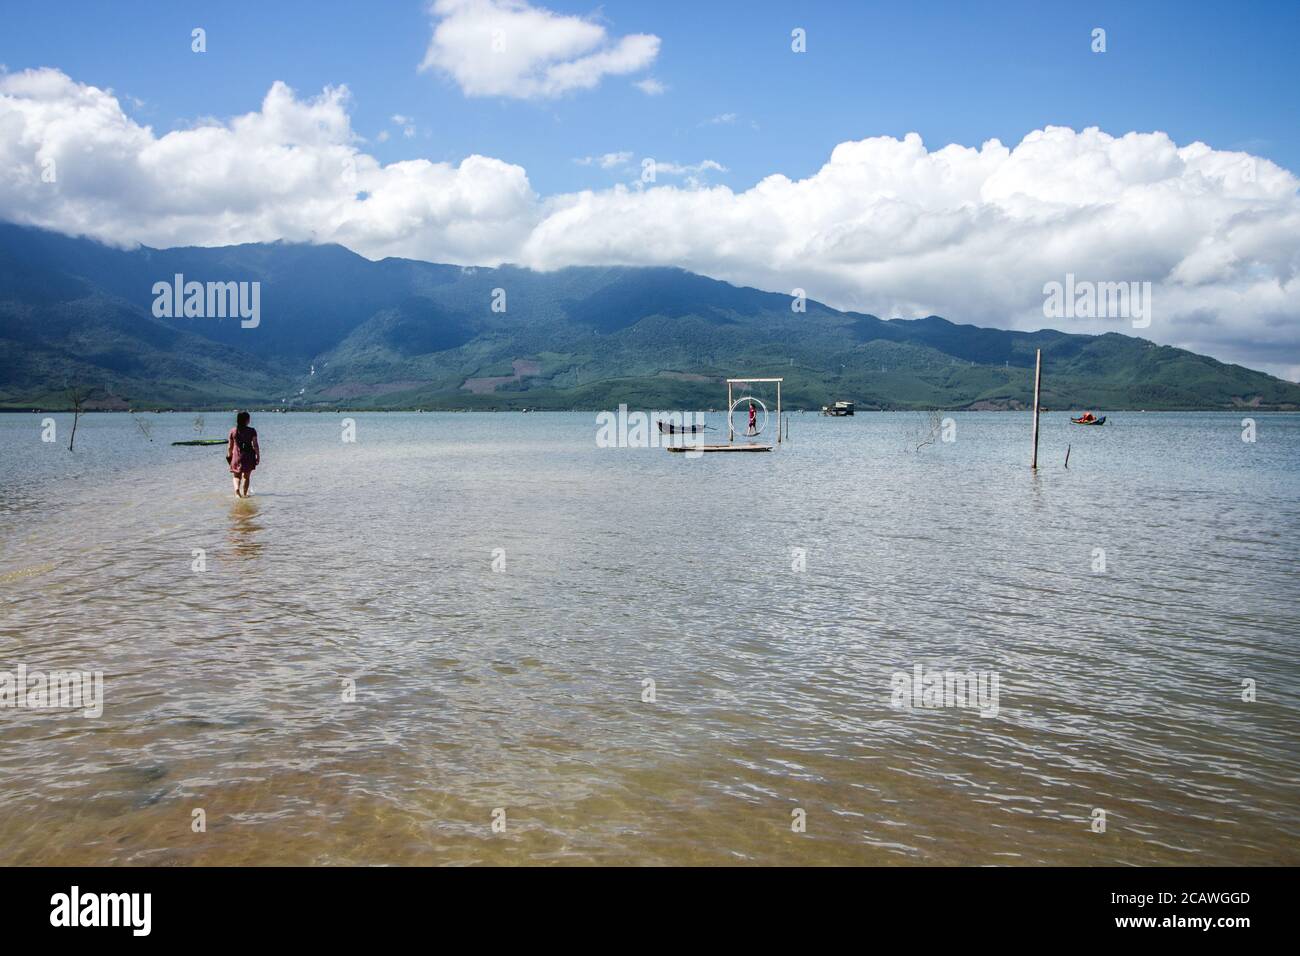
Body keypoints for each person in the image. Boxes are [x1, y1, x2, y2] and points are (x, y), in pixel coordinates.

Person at [226, 411, 260, 497]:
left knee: (236, 476)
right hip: (249, 456)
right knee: (246, 477)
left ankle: (237, 492)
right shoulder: (252, 431)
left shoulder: (233, 431)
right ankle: (245, 494)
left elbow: (230, 446)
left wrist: (229, 456)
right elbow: (255, 445)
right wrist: (258, 456)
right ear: (247, 420)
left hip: (236, 457)